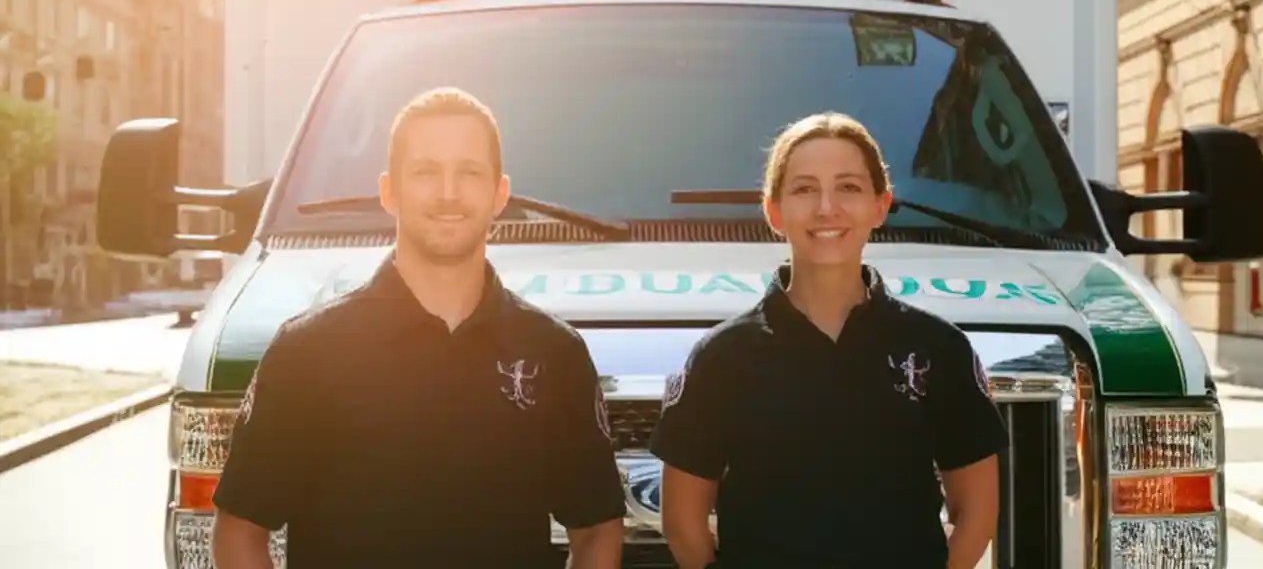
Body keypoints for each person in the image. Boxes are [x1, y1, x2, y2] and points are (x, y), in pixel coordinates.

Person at [211, 87, 625, 568]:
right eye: (426, 172)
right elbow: (241, 533)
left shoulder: (555, 354)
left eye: (469, 172)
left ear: (499, 194)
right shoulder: (308, 351)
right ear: (389, 192)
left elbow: (596, 531)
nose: (448, 193)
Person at [649, 111, 1006, 569]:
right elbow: (682, 519)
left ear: (881, 204)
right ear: (773, 211)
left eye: (848, 187)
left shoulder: (938, 348)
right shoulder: (723, 357)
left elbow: (977, 511)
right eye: (804, 188)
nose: (826, 208)